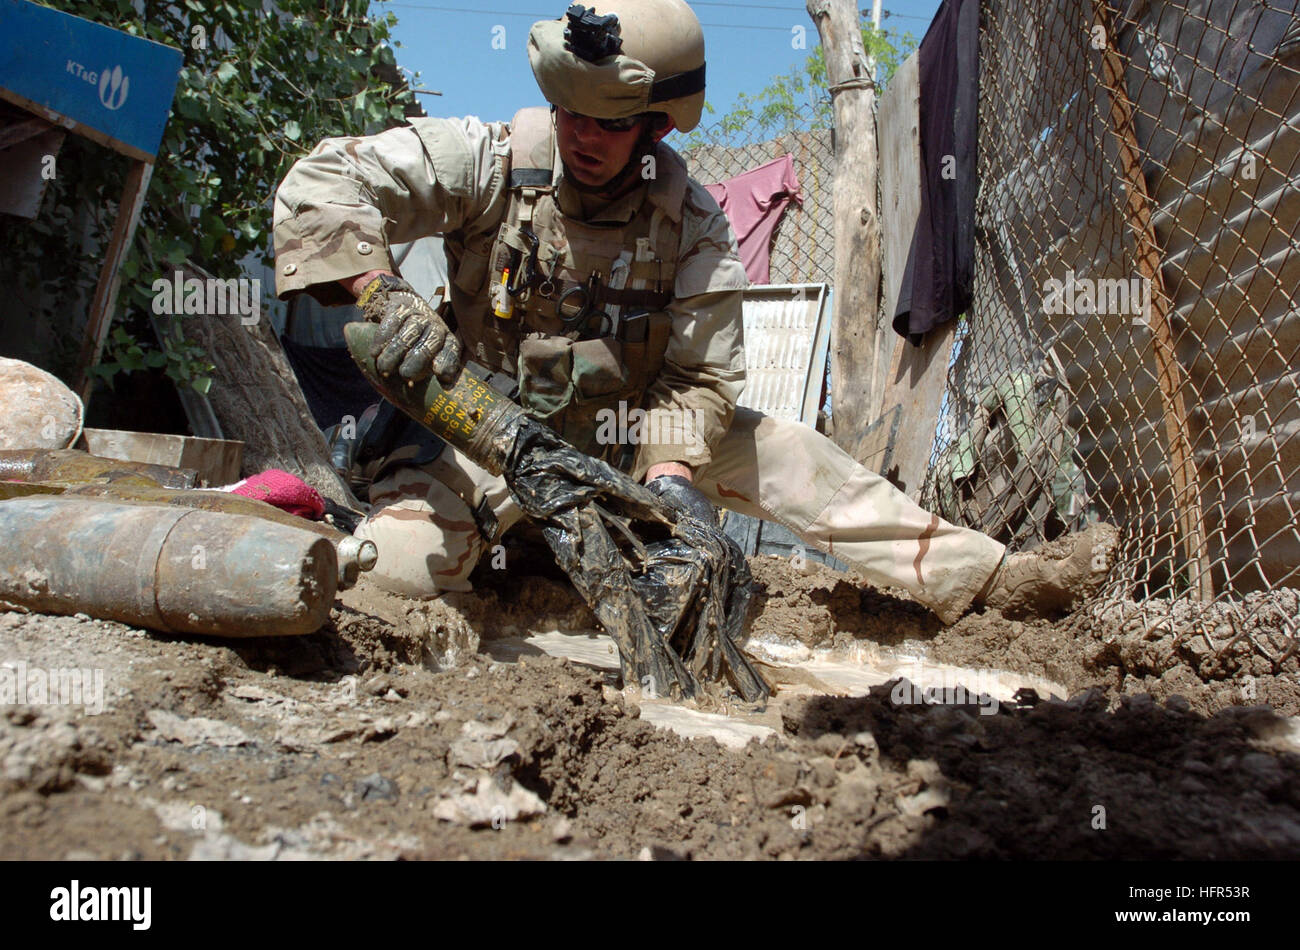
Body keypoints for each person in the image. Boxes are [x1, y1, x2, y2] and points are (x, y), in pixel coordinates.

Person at [273, 0, 1115, 624]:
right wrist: (377, 291)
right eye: (570, 111)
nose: (581, 135)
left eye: (610, 121)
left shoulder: (693, 220)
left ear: (657, 127)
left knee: (798, 461)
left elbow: (701, 375)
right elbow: (322, 182)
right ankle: (470, 550)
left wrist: (670, 490)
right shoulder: (489, 161)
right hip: (484, 437)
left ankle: (994, 577)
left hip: (634, 440)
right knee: (405, 569)